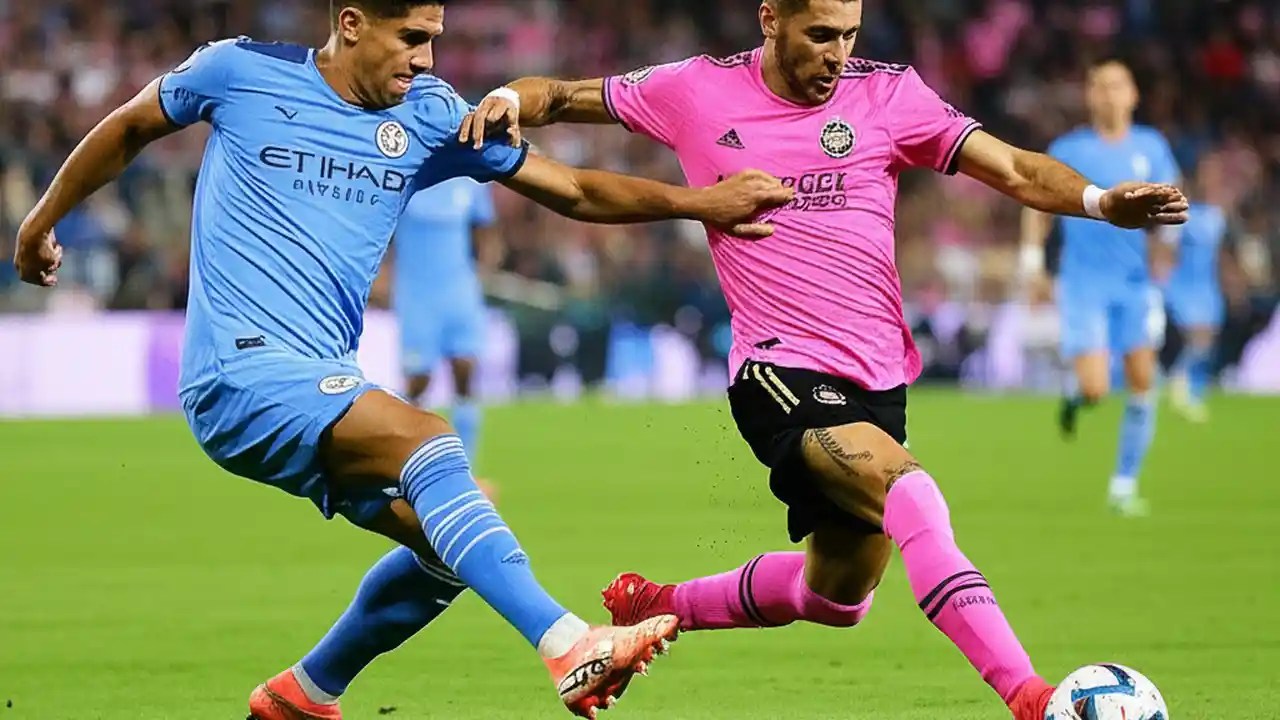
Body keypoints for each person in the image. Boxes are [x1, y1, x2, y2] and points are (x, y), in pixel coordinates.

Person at [11, 2, 793, 719]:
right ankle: (566, 644)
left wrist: (698, 204)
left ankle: (305, 693)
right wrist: (40, 221)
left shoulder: (429, 118)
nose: (425, 59)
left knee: (450, 552)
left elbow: (575, 190)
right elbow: (126, 127)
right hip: (237, 373)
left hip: (322, 380)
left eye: (434, 40)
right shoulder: (238, 71)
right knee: (428, 437)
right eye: (411, 39)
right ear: (352, 24)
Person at [461, 1, 1188, 718]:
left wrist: (1097, 201)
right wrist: (502, 99)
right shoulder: (696, 89)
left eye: (849, 35)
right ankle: (1030, 698)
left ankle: (658, 604)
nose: (838, 53)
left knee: (837, 597)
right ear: (769, 18)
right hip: (780, 372)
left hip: (877, 377)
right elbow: (556, 96)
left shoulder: (889, 94)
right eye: (820, 35)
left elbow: (1013, 169)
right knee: (914, 498)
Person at [1021, 58, 1182, 517]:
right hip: (1083, 283)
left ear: (1133, 94)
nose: (1108, 94)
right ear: (1089, 96)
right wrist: (1032, 262)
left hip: (1135, 284)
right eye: (1099, 86)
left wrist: (1167, 249)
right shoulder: (1069, 148)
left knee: (1142, 381)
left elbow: (1172, 199)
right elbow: (1037, 202)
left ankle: (1123, 485)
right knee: (1095, 386)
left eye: (1116, 85)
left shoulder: (1151, 146)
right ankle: (1076, 400)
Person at [392, 177, 495, 461]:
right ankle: (403, 461)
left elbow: (484, 234)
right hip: (417, 295)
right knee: (418, 381)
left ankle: (467, 466)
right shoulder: (409, 176)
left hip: (460, 291)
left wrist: (482, 271)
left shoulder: (472, 180)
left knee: (465, 370)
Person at [1165, 167, 1230, 423]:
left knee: (1208, 340)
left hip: (1208, 285)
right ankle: (1179, 381)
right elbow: (1167, 250)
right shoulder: (1183, 216)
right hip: (1186, 284)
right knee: (1199, 338)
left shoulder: (1218, 216)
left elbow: (1222, 253)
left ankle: (1192, 391)